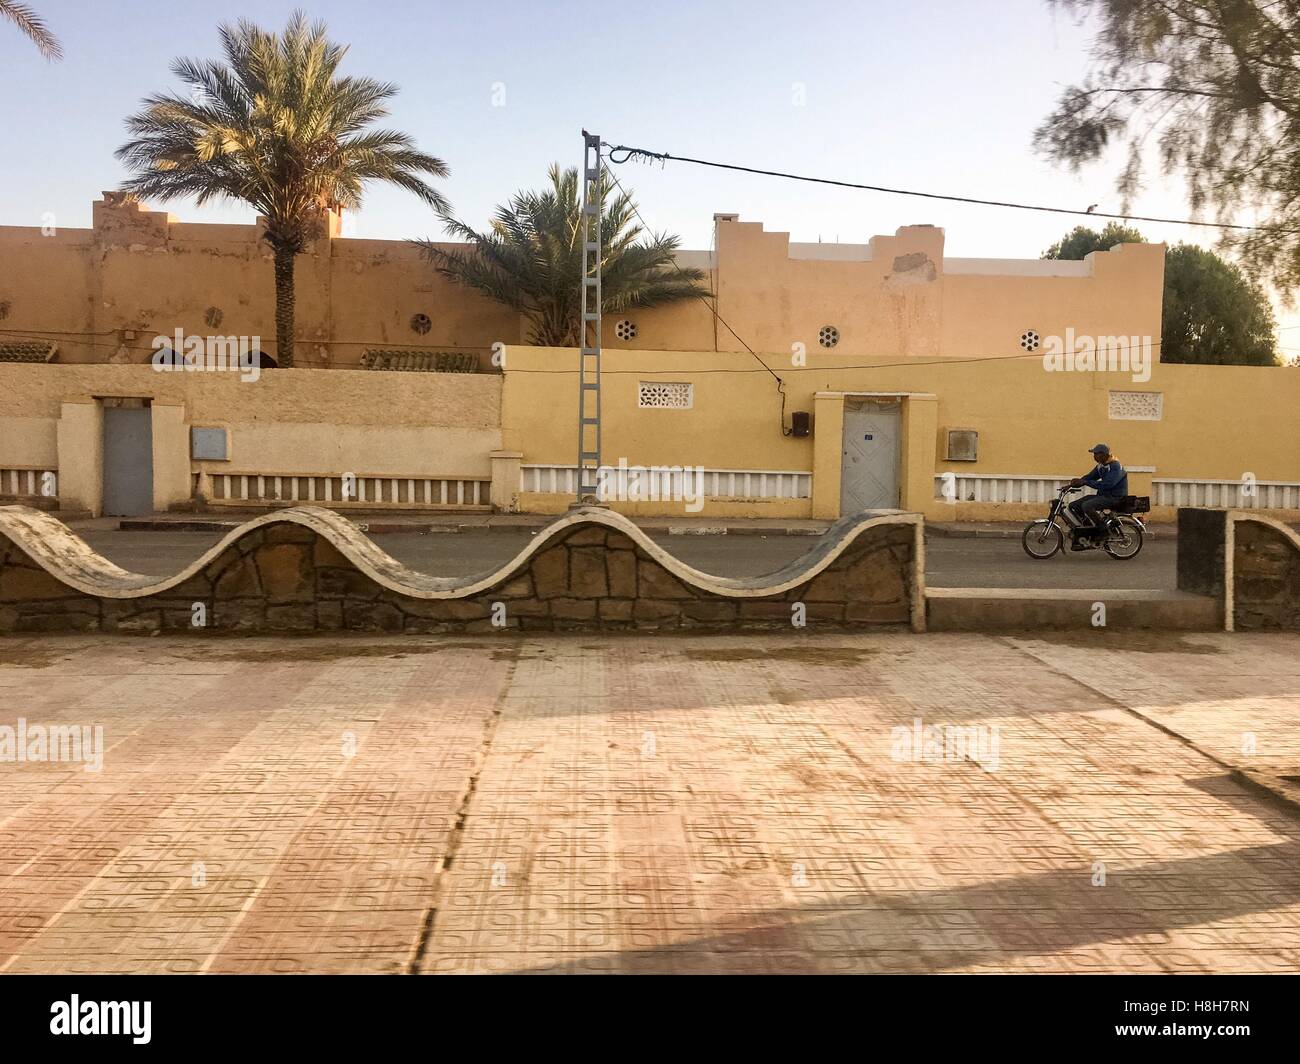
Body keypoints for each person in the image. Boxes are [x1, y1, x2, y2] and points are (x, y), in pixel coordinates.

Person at [1068, 444, 1128, 549]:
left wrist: (1086, 482)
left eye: (1096, 454)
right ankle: (1089, 529)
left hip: (1115, 498)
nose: (1094, 456)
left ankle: (1104, 530)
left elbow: (1108, 484)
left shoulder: (1115, 466)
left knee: (1087, 505)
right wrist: (1073, 483)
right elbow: (1090, 477)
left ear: (1104, 455)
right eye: (1094, 454)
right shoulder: (1101, 465)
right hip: (1103, 496)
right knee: (1074, 505)